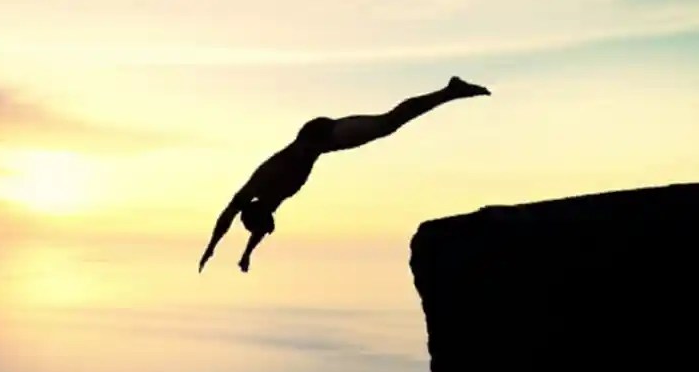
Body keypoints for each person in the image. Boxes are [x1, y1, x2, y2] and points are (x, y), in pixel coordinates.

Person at [199, 76, 491, 273]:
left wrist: (211, 247)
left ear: (260, 212)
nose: (267, 228)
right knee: (388, 125)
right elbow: (258, 230)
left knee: (388, 123)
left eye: (265, 225)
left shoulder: (261, 182)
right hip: (325, 143)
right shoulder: (271, 202)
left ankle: (450, 90)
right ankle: (450, 92)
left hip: (322, 136)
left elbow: (225, 217)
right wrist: (246, 255)